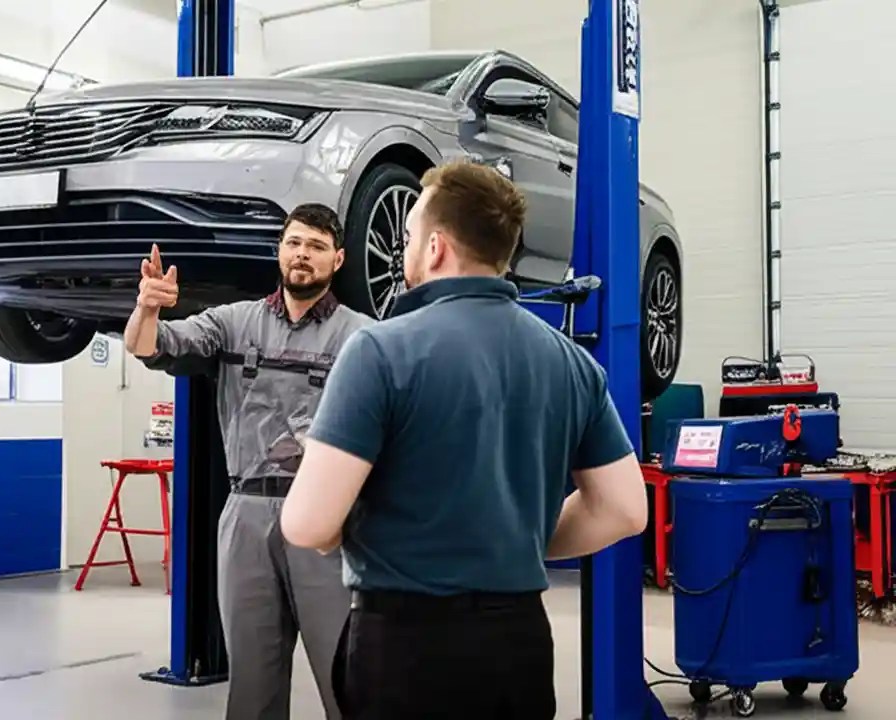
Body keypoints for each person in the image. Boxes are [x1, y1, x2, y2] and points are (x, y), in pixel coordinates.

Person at [280, 159, 649, 719]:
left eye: (409, 236)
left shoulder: (379, 351)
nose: (404, 249)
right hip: (519, 644)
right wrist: (518, 539)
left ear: (435, 248)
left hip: (405, 645)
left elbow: (308, 524)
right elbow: (624, 509)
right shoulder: (572, 364)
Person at [124, 203, 373, 720]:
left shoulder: (363, 338)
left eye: (316, 246)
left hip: (327, 521)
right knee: (252, 684)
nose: (302, 254)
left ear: (338, 259)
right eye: (294, 243)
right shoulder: (234, 322)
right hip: (246, 517)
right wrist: (147, 308)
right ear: (279, 250)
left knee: (348, 678)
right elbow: (147, 347)